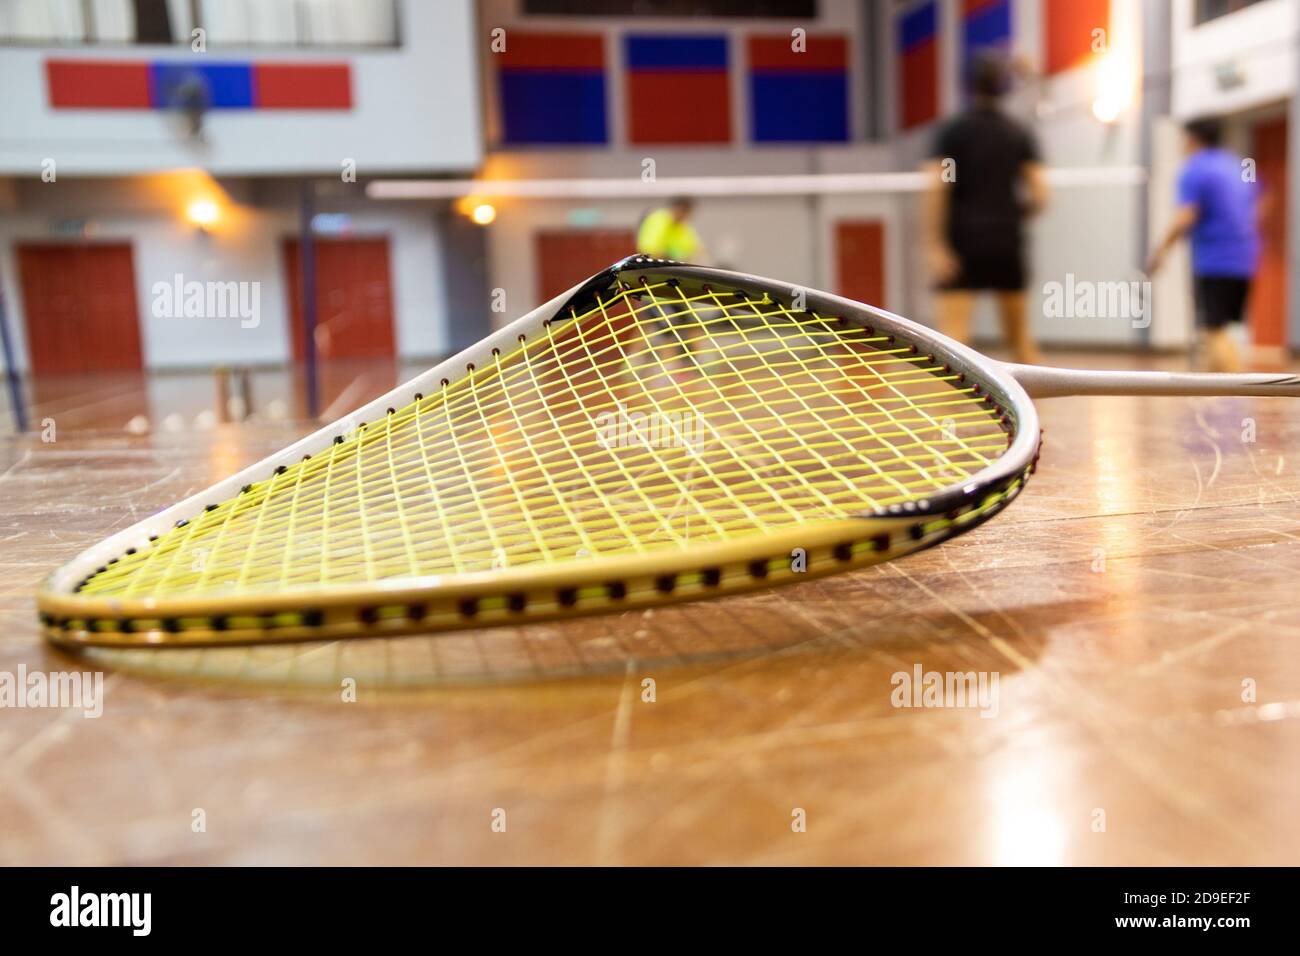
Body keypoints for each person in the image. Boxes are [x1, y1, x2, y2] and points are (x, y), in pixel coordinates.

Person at [923, 52, 1049, 365]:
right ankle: (1035, 414)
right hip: (1006, 241)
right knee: (1021, 342)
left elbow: (937, 187)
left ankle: (945, 415)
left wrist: (936, 245)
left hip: (963, 242)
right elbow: (1041, 194)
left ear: (967, 86)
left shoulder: (952, 131)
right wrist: (1016, 217)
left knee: (951, 345)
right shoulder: (1018, 132)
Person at [1147, 119, 1261, 373]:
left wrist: (1161, 250)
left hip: (1215, 260)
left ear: (1192, 139)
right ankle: (1220, 390)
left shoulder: (1195, 169)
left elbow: (1185, 215)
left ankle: (1233, 388)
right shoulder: (1237, 165)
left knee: (1213, 329)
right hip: (1246, 257)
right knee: (1228, 328)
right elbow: (1260, 200)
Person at [637, 197, 705, 262]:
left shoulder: (684, 226)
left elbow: (698, 250)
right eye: (684, 211)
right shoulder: (658, 219)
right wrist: (672, 257)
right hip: (657, 266)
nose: (685, 216)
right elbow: (649, 250)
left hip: (677, 266)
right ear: (675, 208)